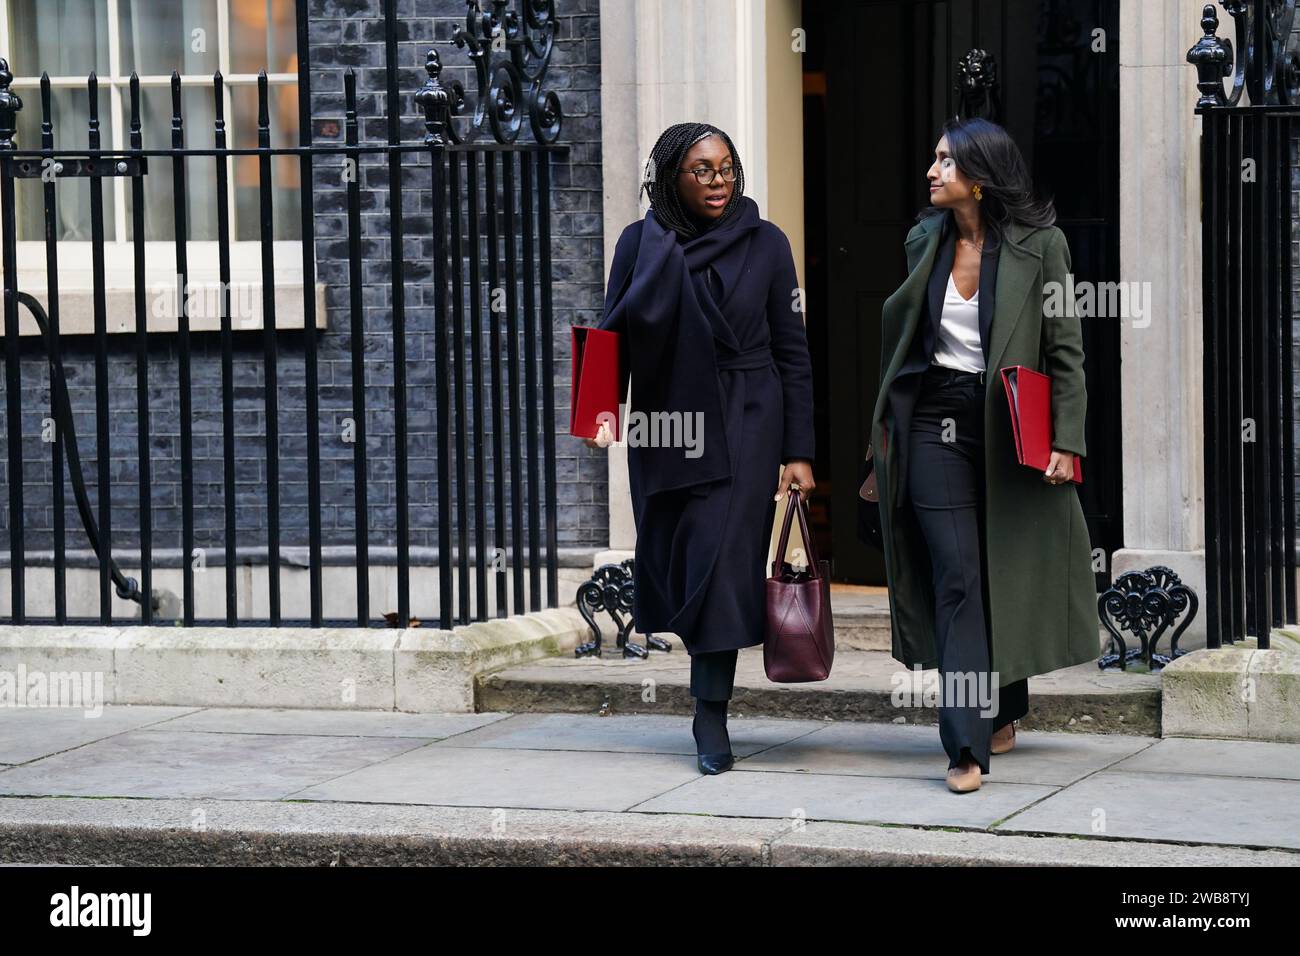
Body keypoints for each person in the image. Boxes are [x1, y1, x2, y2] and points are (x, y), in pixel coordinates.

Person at [579, 122, 816, 775]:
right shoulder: (642, 242)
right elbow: (612, 329)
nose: (719, 181)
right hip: (669, 417)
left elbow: (791, 348)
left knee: (719, 558)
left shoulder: (767, 243)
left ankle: (709, 709)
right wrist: (600, 410)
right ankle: (700, 669)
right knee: (677, 552)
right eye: (702, 170)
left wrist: (798, 450)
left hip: (746, 412)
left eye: (726, 168)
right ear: (671, 178)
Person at [869, 116, 1098, 793]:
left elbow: (1065, 350)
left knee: (1008, 565)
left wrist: (1067, 440)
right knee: (960, 578)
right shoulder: (924, 241)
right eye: (935, 158)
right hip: (934, 421)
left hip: (1009, 425)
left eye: (946, 161)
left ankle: (1005, 704)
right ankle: (965, 744)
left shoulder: (1042, 245)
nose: (934, 171)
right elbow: (904, 346)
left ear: (981, 174)